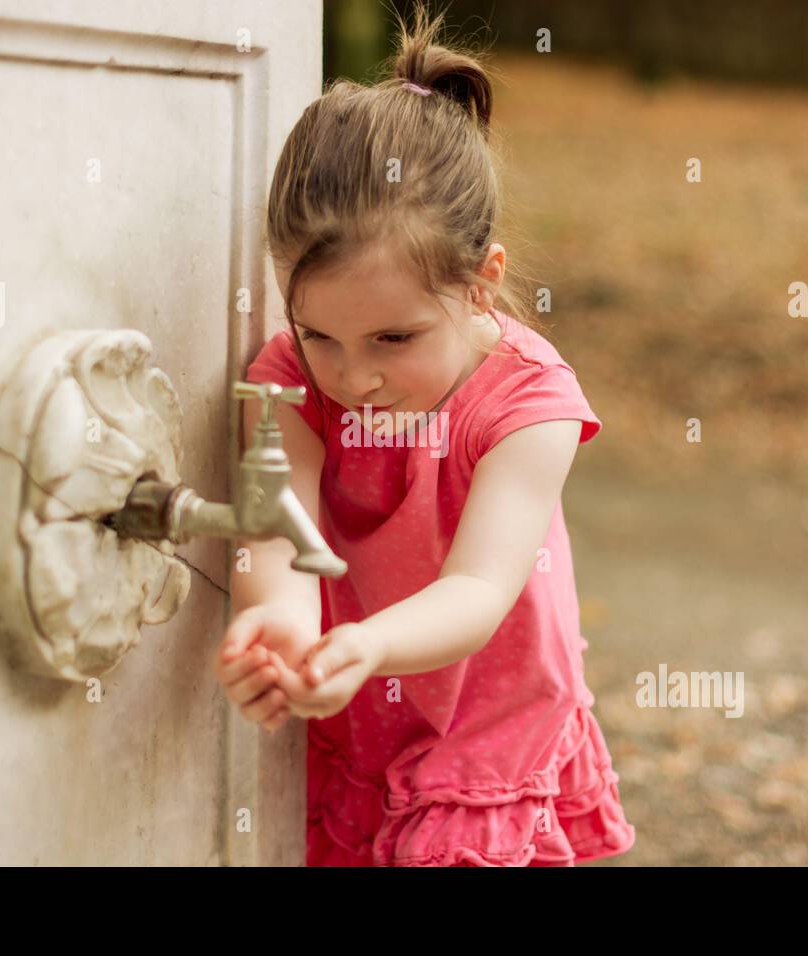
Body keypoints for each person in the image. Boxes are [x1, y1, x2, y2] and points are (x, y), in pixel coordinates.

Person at [212, 3, 635, 867]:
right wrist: (281, 623)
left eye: (393, 340)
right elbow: (279, 527)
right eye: (320, 333)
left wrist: (367, 644)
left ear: (483, 283)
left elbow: (479, 592)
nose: (351, 374)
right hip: (357, 715)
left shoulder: (528, 406)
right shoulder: (288, 376)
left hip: (487, 722)